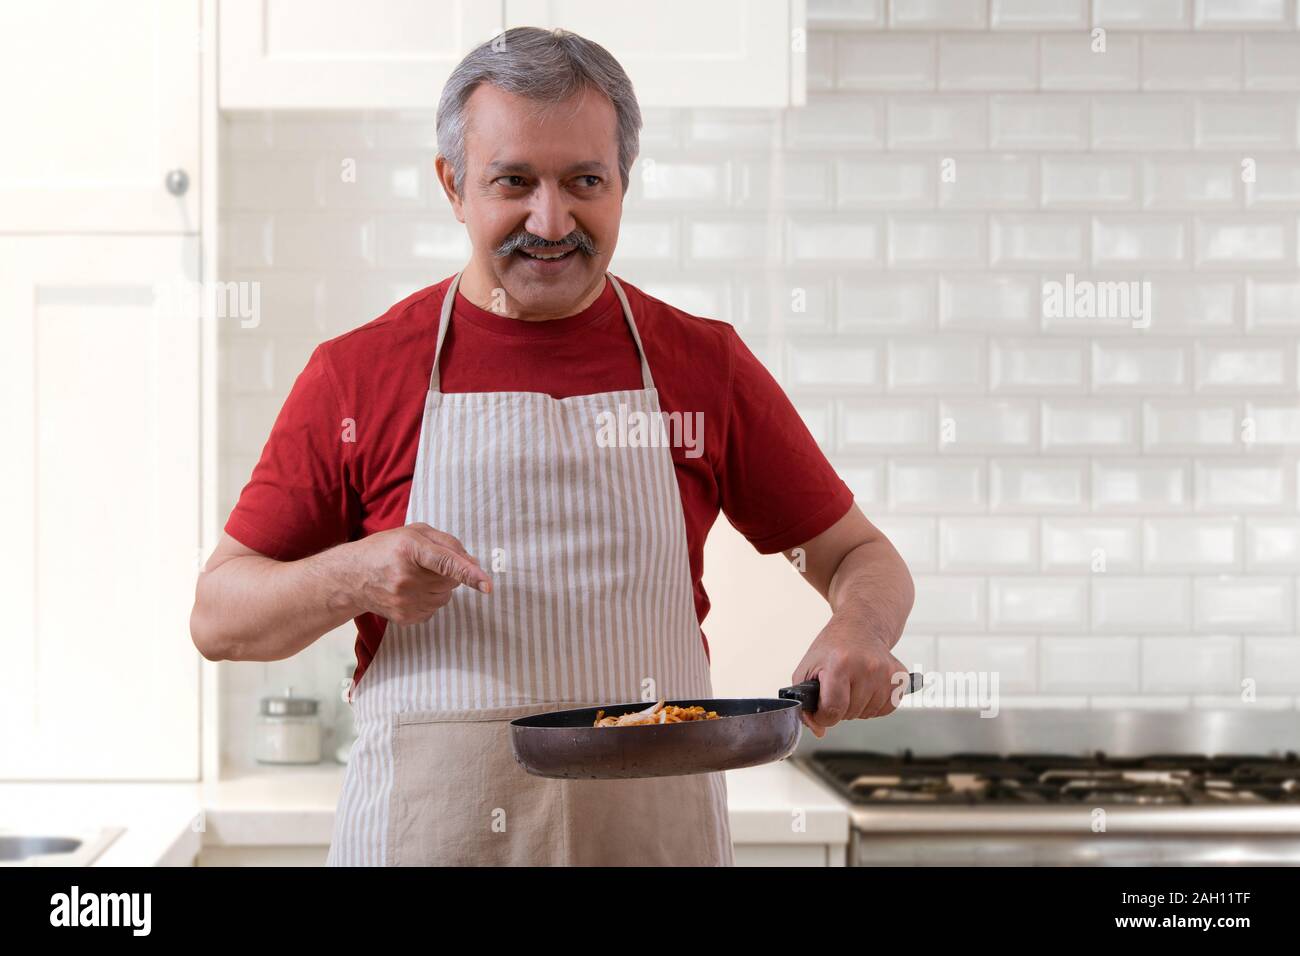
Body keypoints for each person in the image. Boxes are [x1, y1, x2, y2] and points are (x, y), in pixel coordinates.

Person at [190, 26, 914, 866]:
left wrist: (860, 625)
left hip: (653, 841)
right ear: (453, 185)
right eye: (514, 182)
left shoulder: (703, 365)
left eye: (584, 182)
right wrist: (352, 572)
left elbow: (858, 552)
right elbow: (218, 617)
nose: (550, 219)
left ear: (623, 185)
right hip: (433, 839)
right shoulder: (357, 374)